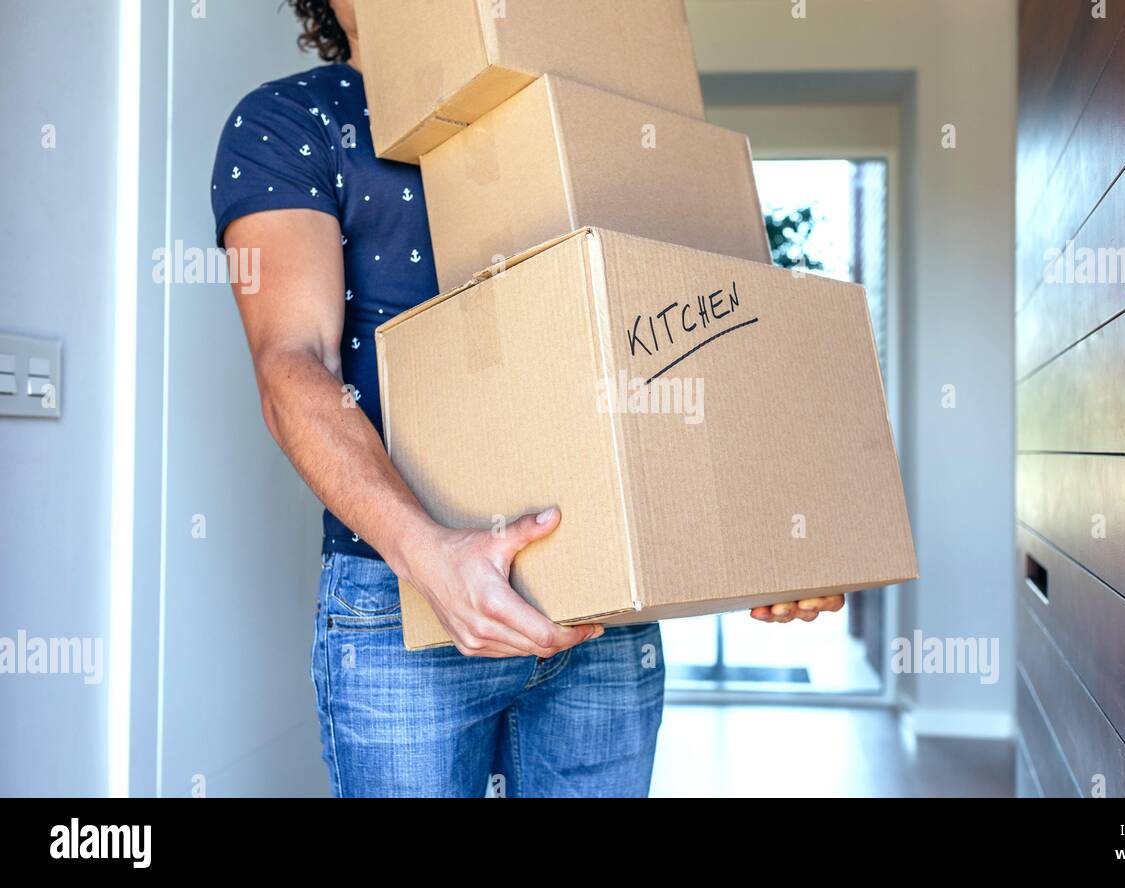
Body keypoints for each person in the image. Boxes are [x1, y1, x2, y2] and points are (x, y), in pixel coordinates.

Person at [212, 0, 845, 798]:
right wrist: (429, 556)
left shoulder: (581, 109)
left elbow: (682, 331)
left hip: (604, 600)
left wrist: (780, 531)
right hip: (402, 595)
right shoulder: (293, 118)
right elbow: (291, 361)